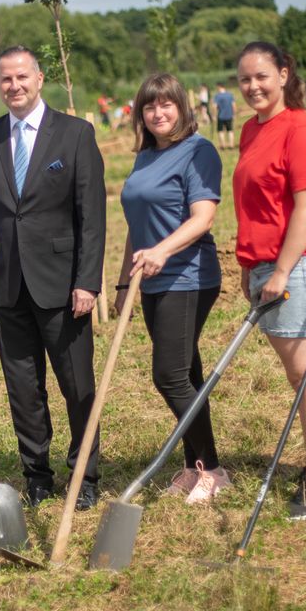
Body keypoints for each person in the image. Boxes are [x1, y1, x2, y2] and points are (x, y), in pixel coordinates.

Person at [0, 45, 107, 511]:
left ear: (40, 79)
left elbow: (92, 217)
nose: (15, 85)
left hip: (64, 287)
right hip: (8, 287)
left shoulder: (75, 134)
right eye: (6, 79)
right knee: (23, 389)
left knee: (77, 386)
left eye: (22, 76)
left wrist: (87, 281)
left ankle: (84, 475)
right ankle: (37, 475)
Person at [233, 42, 306, 520]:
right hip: (267, 266)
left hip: (297, 265)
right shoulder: (251, 129)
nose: (253, 86)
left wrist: (280, 270)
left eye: (262, 76)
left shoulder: (301, 129)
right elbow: (256, 206)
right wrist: (249, 265)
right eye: (244, 79)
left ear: (284, 74)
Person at [114, 74, 225, 504]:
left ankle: (213, 468)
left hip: (188, 275)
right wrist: (124, 280)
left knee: (170, 375)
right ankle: (194, 465)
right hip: (151, 279)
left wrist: (162, 250)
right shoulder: (145, 156)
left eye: (166, 105)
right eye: (149, 106)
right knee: (187, 374)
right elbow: (136, 226)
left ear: (181, 107)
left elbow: (203, 217)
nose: (158, 113)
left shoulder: (199, 150)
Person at [213, 82, 235, 149]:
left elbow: (214, 106)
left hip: (221, 116)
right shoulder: (230, 95)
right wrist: (234, 114)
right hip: (229, 115)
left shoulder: (217, 96)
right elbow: (233, 105)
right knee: (230, 130)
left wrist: (214, 115)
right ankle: (231, 145)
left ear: (219, 87)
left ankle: (222, 146)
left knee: (220, 131)